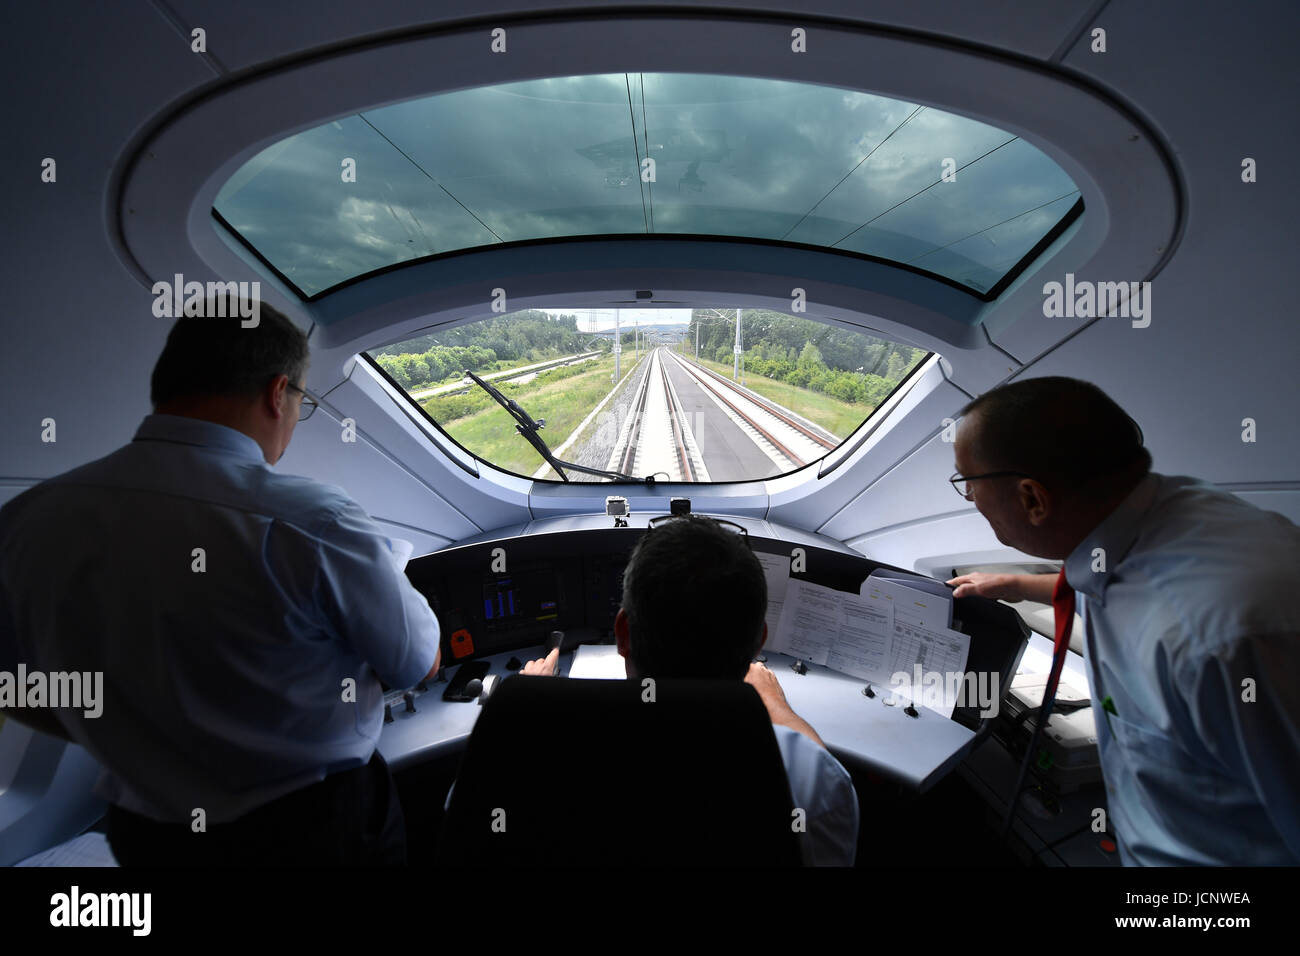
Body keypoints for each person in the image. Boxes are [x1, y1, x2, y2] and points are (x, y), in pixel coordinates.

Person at [0, 299, 441, 865]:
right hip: (310, 834)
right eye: (301, 402)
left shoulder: (28, 519)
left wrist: (127, 738)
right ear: (277, 393)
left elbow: (18, 688)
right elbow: (416, 662)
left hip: (148, 837)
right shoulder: (311, 520)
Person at [944, 376, 1299, 865]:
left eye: (968, 483)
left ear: (1033, 499)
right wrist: (1015, 584)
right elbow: (1121, 589)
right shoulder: (1156, 520)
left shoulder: (1226, 639)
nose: (970, 499)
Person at [522, 515, 860, 866]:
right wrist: (776, 705)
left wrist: (527, 709)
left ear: (622, 633)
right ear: (758, 642)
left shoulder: (519, 755)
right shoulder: (811, 782)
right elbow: (825, 776)